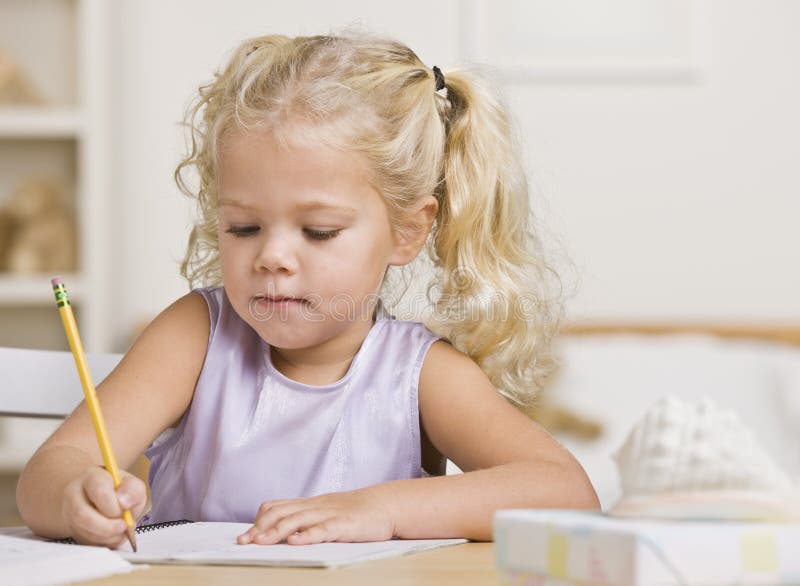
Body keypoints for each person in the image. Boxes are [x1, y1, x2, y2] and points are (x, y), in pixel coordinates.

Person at [17, 31, 599, 549]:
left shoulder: (419, 373)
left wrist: (383, 507)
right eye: (243, 227)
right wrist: (76, 494)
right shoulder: (195, 334)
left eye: (319, 231)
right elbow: (51, 470)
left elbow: (566, 491)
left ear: (408, 231)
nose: (271, 256)